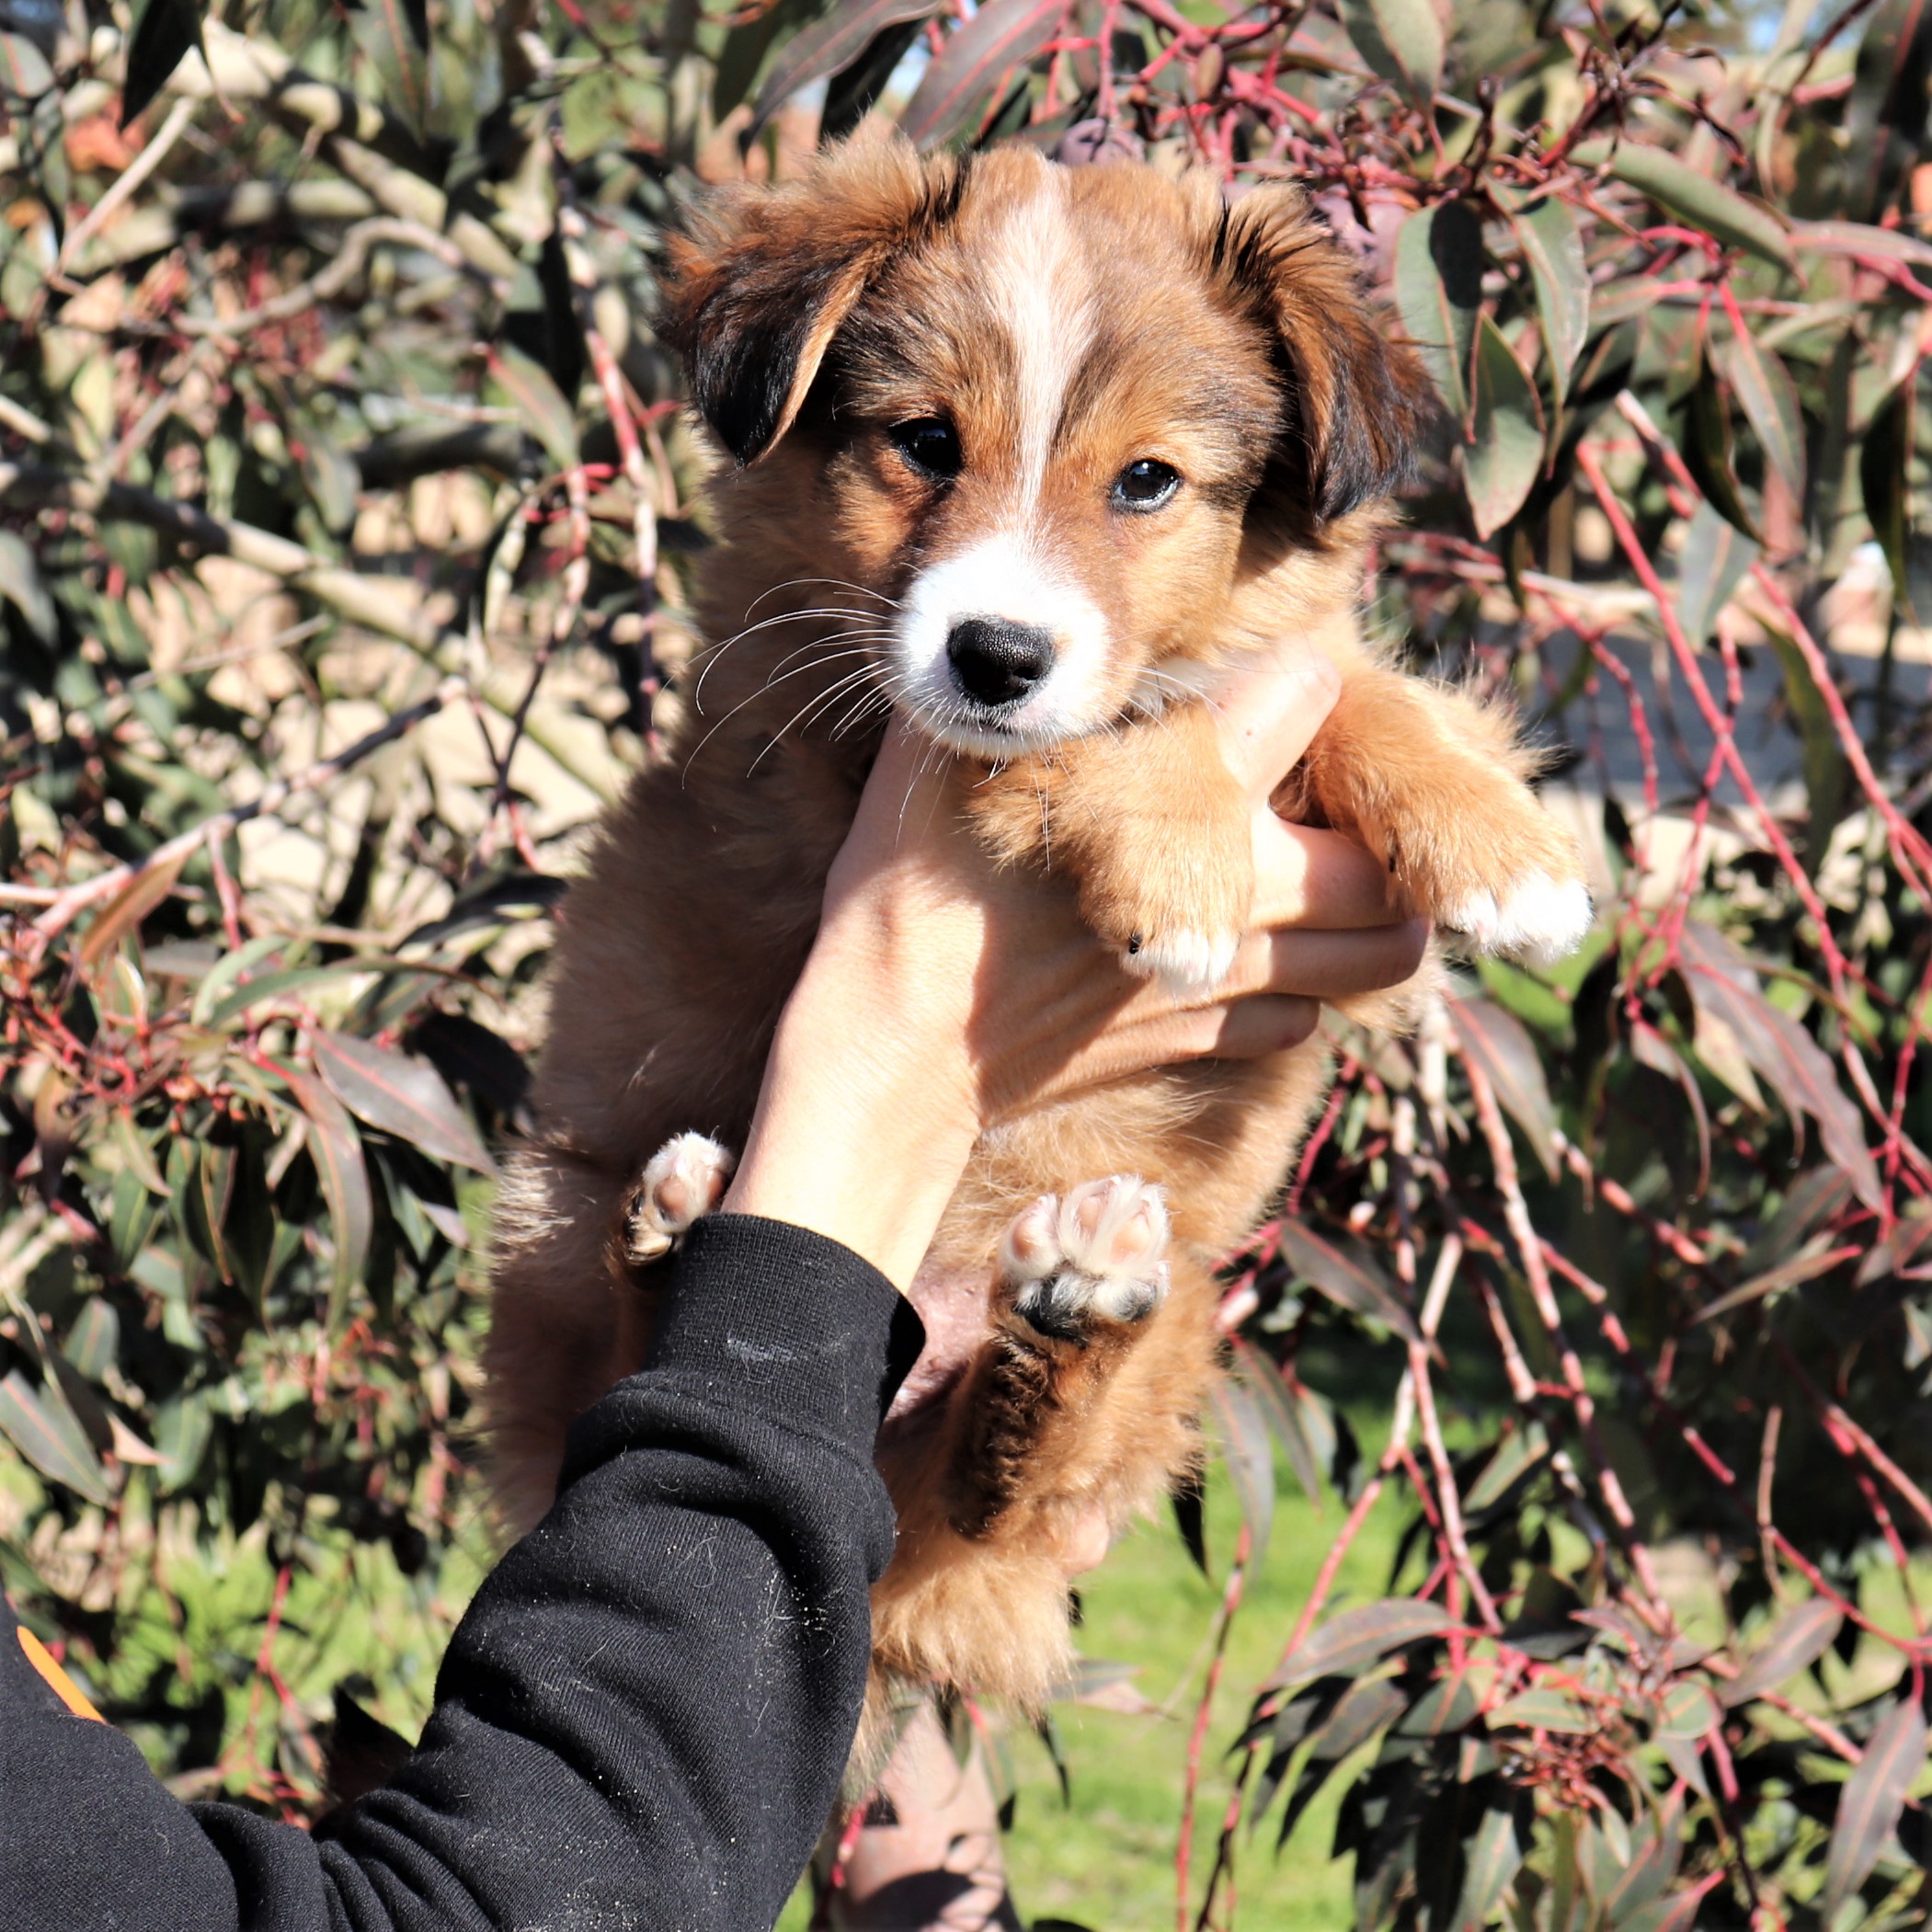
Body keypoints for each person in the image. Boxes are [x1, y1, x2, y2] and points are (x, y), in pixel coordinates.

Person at [3, 657, 1424, 1932]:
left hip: (809, 1360)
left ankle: (935, 1374)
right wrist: (889, 1081)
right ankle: (996, 1386)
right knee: (968, 1480)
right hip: (821, 1364)